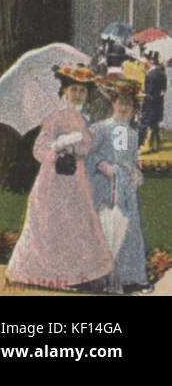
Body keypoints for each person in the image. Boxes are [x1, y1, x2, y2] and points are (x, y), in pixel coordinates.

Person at [6, 66, 113, 290]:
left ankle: (77, 274)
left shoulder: (83, 118)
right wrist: (58, 146)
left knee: (76, 222)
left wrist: (77, 145)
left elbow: (86, 146)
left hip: (76, 179)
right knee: (53, 221)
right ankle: (48, 274)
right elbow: (39, 148)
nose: (78, 95)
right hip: (53, 179)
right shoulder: (55, 117)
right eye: (74, 90)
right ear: (65, 92)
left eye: (82, 91)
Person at [86, 81, 149, 293]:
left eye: (128, 106)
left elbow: (131, 159)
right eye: (120, 104)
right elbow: (88, 154)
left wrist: (135, 173)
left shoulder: (132, 134)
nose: (123, 109)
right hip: (104, 186)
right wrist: (101, 164)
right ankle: (101, 277)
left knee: (125, 231)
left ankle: (124, 277)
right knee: (106, 228)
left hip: (124, 190)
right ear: (113, 104)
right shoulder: (101, 128)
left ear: (133, 110)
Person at [141, 52, 166, 152]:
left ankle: (146, 145)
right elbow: (164, 89)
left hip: (150, 102)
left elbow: (149, 91)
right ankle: (155, 144)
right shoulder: (162, 73)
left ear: (151, 61)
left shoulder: (150, 75)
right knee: (155, 123)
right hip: (159, 101)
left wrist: (144, 95)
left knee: (146, 123)